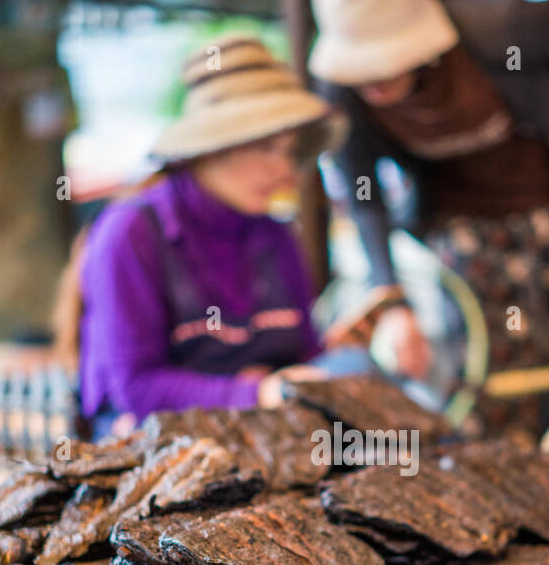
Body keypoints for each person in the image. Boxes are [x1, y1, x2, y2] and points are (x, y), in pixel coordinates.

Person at [308, 0, 549, 424]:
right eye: (361, 68)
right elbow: (364, 197)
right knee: (492, 379)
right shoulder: (342, 93)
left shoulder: (491, 30)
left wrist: (463, 3)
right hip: (466, 227)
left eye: (385, 61)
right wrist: (392, 301)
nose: (373, 82)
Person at [58, 36, 348, 434]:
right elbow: (138, 390)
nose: (286, 171)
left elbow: (307, 356)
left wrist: (339, 359)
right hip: (155, 457)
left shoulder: (276, 234)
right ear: (210, 147)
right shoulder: (130, 235)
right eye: (266, 147)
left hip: (265, 442)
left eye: (290, 151)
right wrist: (257, 392)